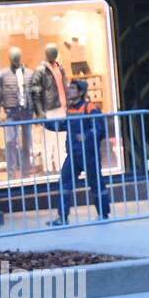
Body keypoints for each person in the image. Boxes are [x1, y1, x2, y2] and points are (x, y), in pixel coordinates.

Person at [48, 79, 111, 225]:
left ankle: (104, 214)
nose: (69, 90)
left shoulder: (90, 108)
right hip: (74, 153)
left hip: (89, 154)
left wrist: (86, 136)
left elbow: (99, 129)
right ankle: (62, 217)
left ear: (81, 92)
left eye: (73, 88)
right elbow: (63, 125)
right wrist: (45, 123)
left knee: (96, 183)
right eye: (69, 87)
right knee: (64, 183)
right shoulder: (70, 109)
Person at [0, 46, 33, 180]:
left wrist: (37, 112)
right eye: (13, 57)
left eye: (17, 57)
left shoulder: (29, 73)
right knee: (10, 142)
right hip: (11, 113)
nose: (15, 60)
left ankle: (26, 173)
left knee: (26, 142)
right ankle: (11, 175)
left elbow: (34, 94)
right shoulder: (2, 75)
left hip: (26, 112)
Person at [29, 42, 68, 173]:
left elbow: (65, 87)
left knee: (61, 140)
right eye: (52, 52)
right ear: (46, 54)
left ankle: (61, 165)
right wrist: (39, 111)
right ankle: (47, 168)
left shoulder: (60, 68)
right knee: (48, 140)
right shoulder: (40, 70)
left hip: (61, 108)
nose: (54, 55)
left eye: (55, 52)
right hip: (49, 109)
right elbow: (35, 92)